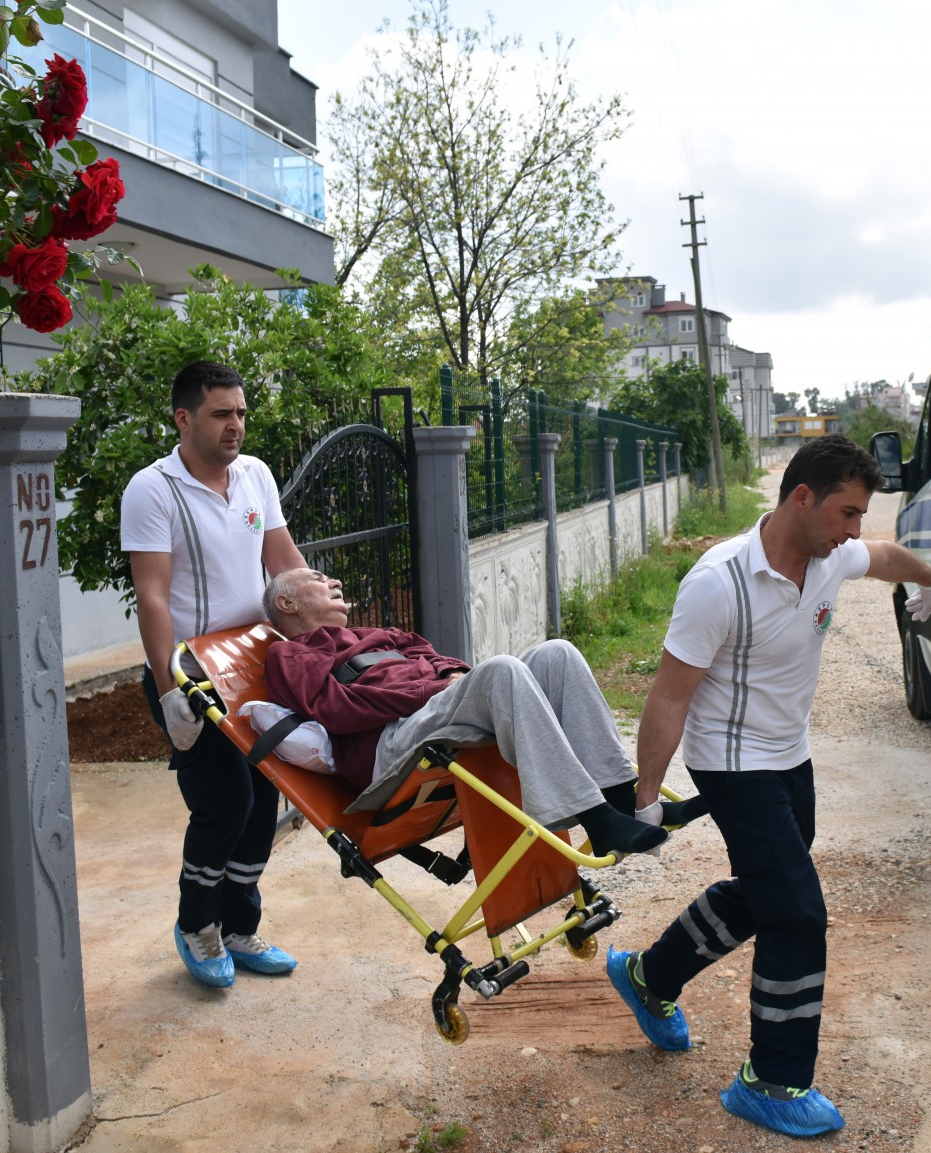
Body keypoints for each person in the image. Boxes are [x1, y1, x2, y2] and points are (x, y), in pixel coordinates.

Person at [605, 434, 931, 1139]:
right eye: (847, 512)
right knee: (797, 912)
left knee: (768, 889)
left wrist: (928, 580)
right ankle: (772, 1079)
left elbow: (882, 557)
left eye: (859, 515)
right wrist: (645, 796)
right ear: (802, 498)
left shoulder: (831, 555)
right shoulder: (717, 582)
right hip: (731, 763)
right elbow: (668, 698)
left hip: (791, 756)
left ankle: (648, 976)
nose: (855, 528)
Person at [260, 566, 694, 855]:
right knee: (500, 670)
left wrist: (448, 681)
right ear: (287, 604)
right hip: (389, 745)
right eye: (319, 579)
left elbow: (436, 657)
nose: (334, 582)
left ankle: (627, 801)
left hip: (431, 714)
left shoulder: (372, 632)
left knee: (556, 654)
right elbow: (336, 711)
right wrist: (433, 686)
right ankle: (598, 822)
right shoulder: (292, 655)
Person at [121, 360, 309, 989]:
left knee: (265, 801)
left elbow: (282, 561)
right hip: (191, 669)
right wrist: (170, 690)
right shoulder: (153, 489)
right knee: (225, 801)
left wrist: (317, 629)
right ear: (184, 418)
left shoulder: (254, 475)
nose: (236, 426)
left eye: (241, 413)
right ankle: (196, 925)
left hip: (255, 661)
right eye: (221, 414)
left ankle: (239, 927)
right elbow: (152, 595)